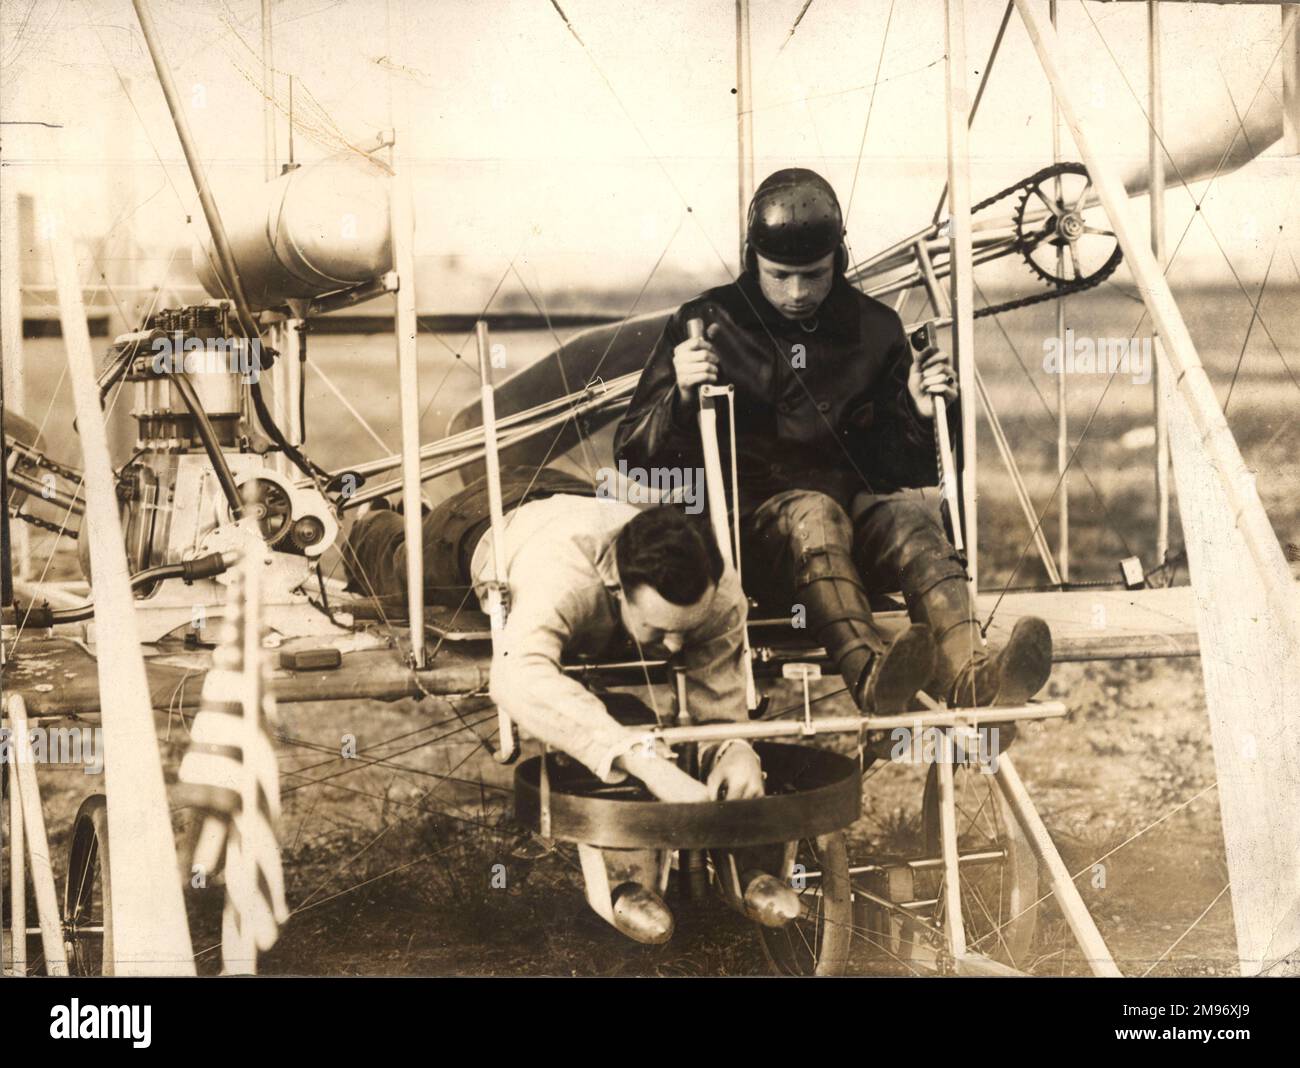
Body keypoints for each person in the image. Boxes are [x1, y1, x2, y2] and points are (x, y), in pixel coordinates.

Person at [614, 168, 1053, 717]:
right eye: (779, 276)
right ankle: (872, 676)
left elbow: (897, 468)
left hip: (848, 535)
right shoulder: (706, 322)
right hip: (746, 544)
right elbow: (635, 456)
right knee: (814, 513)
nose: (797, 293)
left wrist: (918, 411)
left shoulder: (875, 328)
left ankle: (972, 677)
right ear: (753, 260)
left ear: (838, 260)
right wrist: (680, 397)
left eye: (814, 275)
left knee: (910, 520)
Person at [345, 469, 799, 942]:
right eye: (658, 631)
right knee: (398, 564)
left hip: (566, 489)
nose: (673, 646)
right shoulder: (561, 577)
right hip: (475, 528)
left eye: (688, 628)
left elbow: (718, 689)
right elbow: (516, 675)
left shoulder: (718, 589)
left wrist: (734, 745)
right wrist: (642, 760)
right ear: (619, 588)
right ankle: (376, 519)